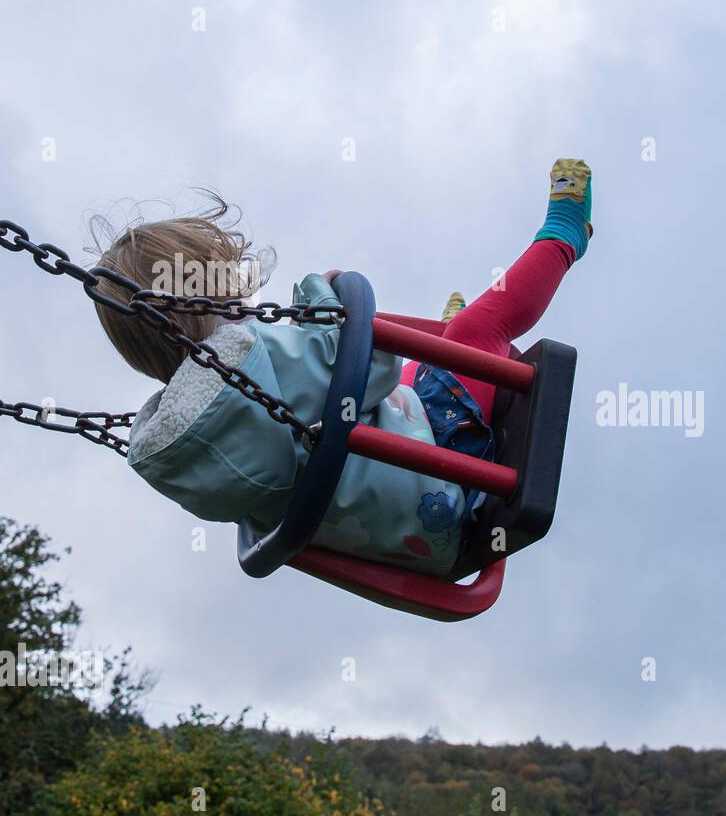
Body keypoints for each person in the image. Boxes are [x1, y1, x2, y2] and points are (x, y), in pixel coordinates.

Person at [91, 159, 592, 576]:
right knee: (481, 331)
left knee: (411, 382)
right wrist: (324, 295)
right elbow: (374, 366)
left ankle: (445, 351)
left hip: (417, 541)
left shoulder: (183, 450)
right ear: (205, 296)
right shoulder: (252, 364)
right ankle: (564, 236)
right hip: (447, 473)